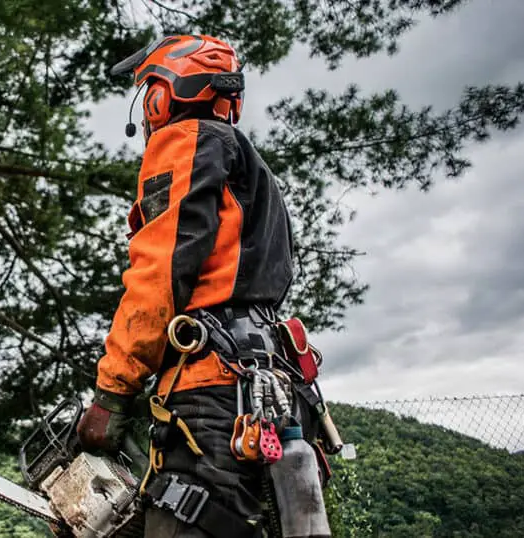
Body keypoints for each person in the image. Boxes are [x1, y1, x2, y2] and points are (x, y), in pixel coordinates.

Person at [76, 35, 330, 537]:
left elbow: (158, 273)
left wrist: (112, 392)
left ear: (161, 95)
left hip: (211, 393)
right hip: (272, 388)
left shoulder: (185, 141)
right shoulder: (253, 171)